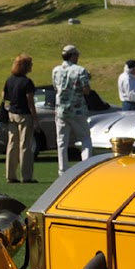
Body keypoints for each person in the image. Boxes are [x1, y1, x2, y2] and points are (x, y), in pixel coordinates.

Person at [51, 44, 93, 173]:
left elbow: (55, 88)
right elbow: (86, 91)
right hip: (77, 110)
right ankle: (86, 167)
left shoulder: (56, 70)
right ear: (73, 56)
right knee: (85, 138)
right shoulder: (80, 70)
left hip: (61, 111)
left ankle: (62, 170)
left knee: (62, 142)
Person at [1, 53, 37, 184]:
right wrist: (35, 119)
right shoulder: (27, 82)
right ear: (25, 66)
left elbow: (4, 95)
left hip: (12, 114)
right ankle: (26, 176)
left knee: (12, 145)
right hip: (24, 115)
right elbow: (30, 102)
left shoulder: (9, 80)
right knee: (25, 145)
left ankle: (10, 175)